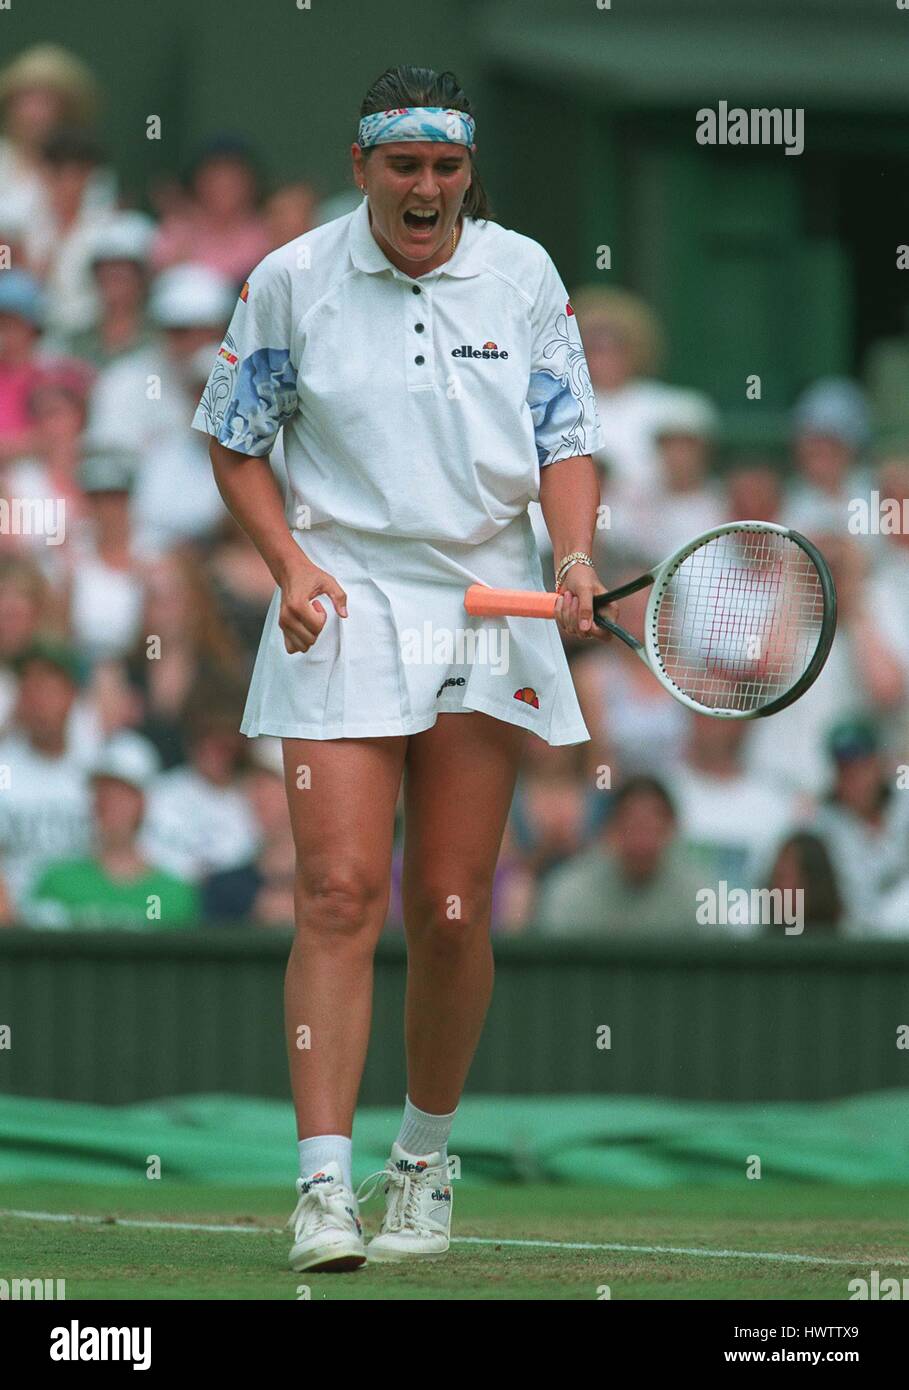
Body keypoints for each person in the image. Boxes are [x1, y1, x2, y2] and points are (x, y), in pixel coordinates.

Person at [192, 65, 613, 1272]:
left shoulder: (525, 273)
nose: (425, 187)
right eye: (403, 165)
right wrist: (287, 565)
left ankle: (422, 1164)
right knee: (334, 895)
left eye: (444, 166)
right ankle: (325, 1190)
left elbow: (566, 436)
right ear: (362, 166)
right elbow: (234, 442)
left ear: (466, 170)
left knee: (449, 906)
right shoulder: (292, 279)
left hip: (490, 600)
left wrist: (574, 555)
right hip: (347, 598)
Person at [25, 731, 199, 930]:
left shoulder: (173, 894)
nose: (108, 802)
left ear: (143, 802)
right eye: (102, 792)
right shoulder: (57, 882)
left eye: (121, 794)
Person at [532, 776, 706, 937]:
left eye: (651, 828)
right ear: (611, 830)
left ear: (671, 831)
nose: (642, 840)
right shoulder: (569, 892)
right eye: (634, 826)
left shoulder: (698, 893)